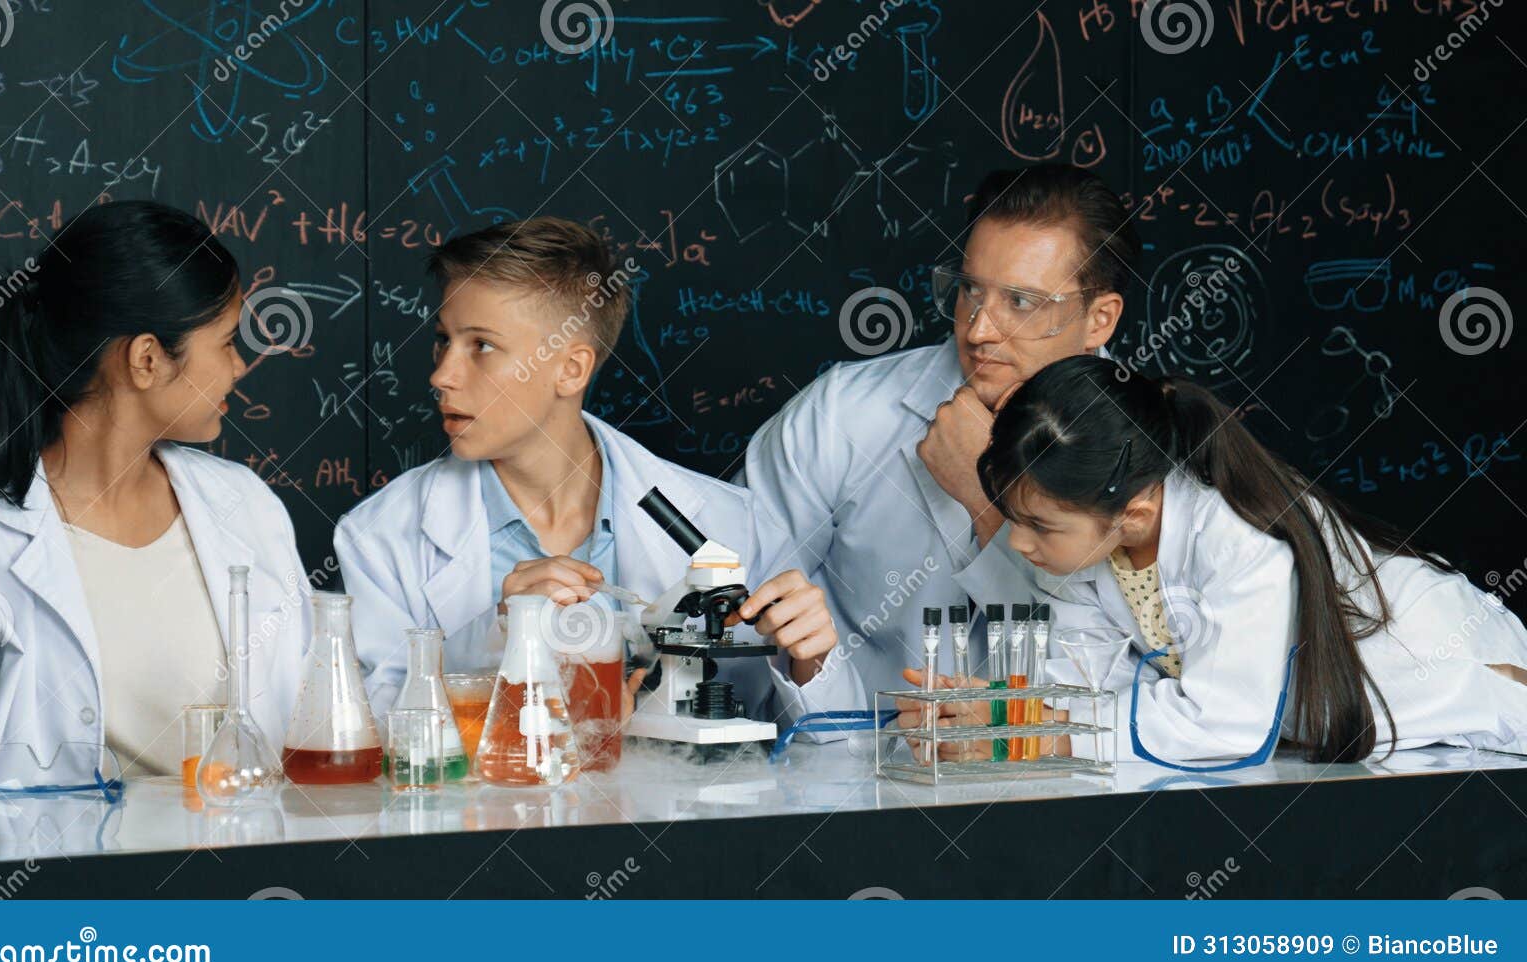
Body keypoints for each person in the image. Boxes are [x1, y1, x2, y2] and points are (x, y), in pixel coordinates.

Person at [335, 218, 857, 732]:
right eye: (443, 340)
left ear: (571, 369)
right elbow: (371, 739)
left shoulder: (732, 523)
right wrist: (498, 634)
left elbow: (836, 753)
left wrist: (811, 665)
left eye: (482, 346)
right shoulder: (381, 536)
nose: (442, 375)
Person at [902, 355, 1527, 766]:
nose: (1015, 543)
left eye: (1038, 524)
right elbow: (1094, 693)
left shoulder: (1235, 538)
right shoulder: (1090, 549)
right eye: (1012, 518)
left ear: (1135, 511)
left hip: (1454, 664)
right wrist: (1003, 715)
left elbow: (1221, 727)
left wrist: (1029, 730)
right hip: (1330, 721)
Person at [0, 201, 312, 785]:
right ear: (148, 359)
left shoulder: (246, 506)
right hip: (50, 875)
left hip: (247, 863)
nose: (239, 367)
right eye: (227, 342)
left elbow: (309, 714)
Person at [739, 163, 1138, 700]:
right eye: (971, 291)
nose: (978, 330)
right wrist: (813, 673)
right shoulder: (843, 415)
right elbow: (743, 613)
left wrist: (985, 497)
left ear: (1100, 319)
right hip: (860, 761)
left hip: (1056, 765)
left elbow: (1122, 681)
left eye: (1020, 302)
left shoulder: (1156, 453)